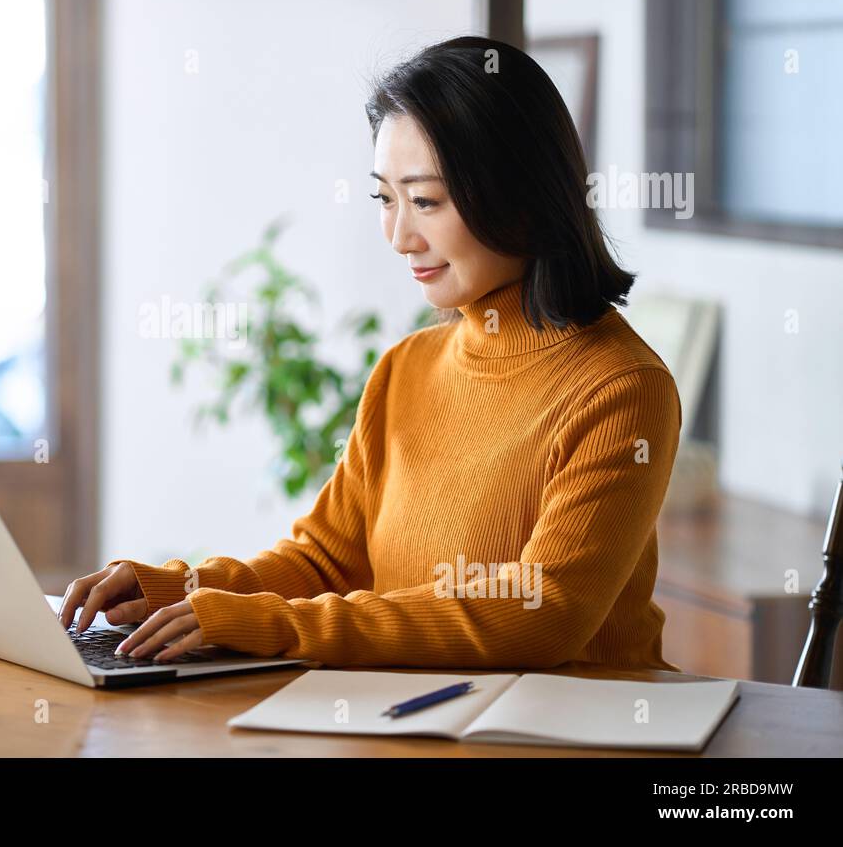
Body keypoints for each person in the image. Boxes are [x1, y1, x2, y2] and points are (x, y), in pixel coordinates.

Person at [57, 35, 683, 672]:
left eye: (426, 201)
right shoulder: (405, 368)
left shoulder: (622, 387)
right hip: (414, 726)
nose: (400, 236)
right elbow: (324, 563)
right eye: (386, 198)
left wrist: (270, 624)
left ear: (522, 195)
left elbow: (542, 615)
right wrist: (178, 591)